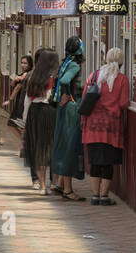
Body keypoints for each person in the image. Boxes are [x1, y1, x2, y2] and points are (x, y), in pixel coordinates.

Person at [82, 47, 132, 206]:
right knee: (108, 162)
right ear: (121, 62)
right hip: (111, 127)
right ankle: (104, 196)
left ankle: (95, 196)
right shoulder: (122, 79)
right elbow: (124, 103)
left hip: (93, 126)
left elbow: (85, 98)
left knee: (95, 161)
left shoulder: (94, 76)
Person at [49, 36, 86, 201]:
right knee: (70, 146)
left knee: (63, 144)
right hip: (71, 109)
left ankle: (61, 184)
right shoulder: (74, 65)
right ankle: (68, 190)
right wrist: (69, 95)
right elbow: (65, 81)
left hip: (62, 109)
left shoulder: (64, 63)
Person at [22, 47, 59, 192]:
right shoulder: (54, 78)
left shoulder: (32, 77)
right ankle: (53, 182)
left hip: (33, 113)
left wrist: (25, 120)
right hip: (49, 112)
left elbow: (27, 101)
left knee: (37, 149)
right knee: (49, 147)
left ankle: (42, 185)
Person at [6, 54, 32, 129]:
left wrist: (9, 100)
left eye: (25, 63)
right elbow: (12, 84)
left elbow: (17, 88)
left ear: (30, 64)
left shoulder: (26, 74)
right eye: (22, 63)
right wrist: (15, 79)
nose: (23, 65)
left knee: (16, 123)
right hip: (20, 99)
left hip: (22, 99)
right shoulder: (22, 74)